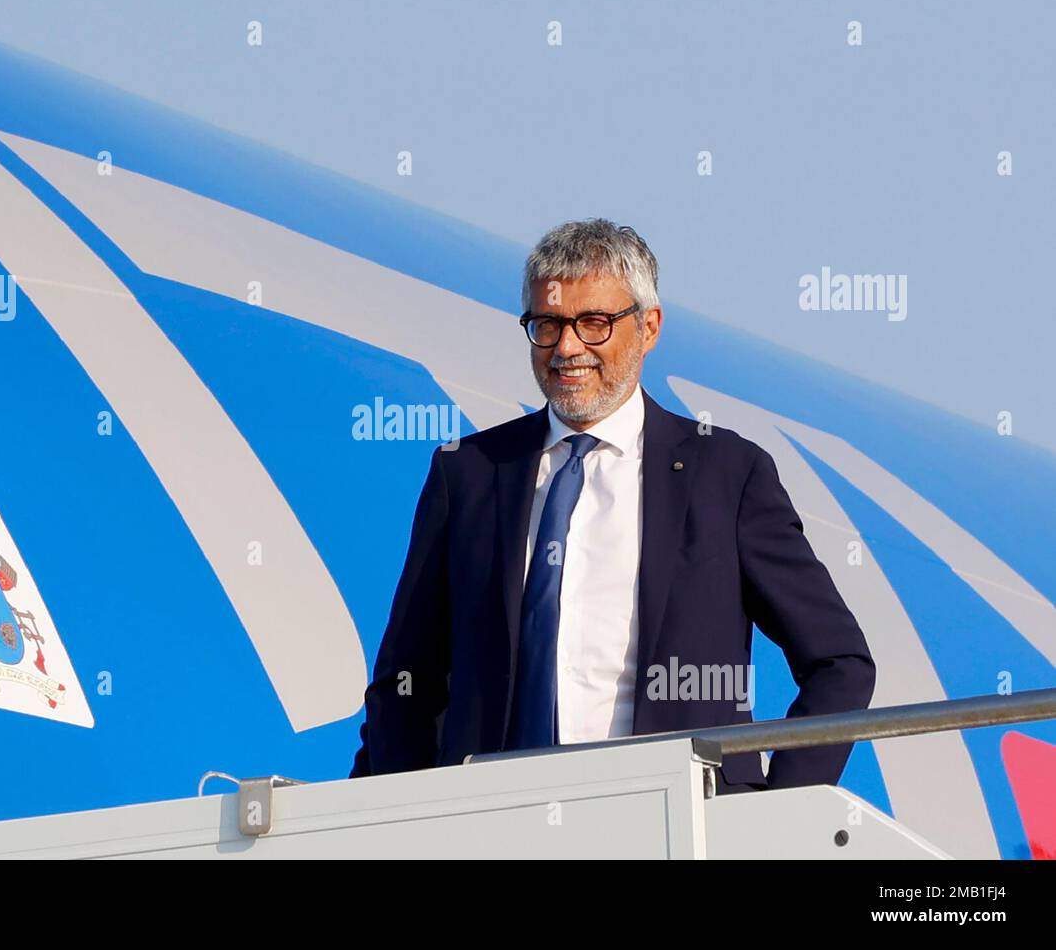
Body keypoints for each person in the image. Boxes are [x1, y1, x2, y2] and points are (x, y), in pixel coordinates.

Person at [349, 219, 876, 794]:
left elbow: (839, 663)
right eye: (548, 324)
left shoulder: (727, 474)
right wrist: (384, 822)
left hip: (672, 828)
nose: (567, 347)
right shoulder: (470, 472)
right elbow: (407, 681)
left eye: (594, 323)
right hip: (495, 824)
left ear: (648, 327)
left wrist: (773, 816)